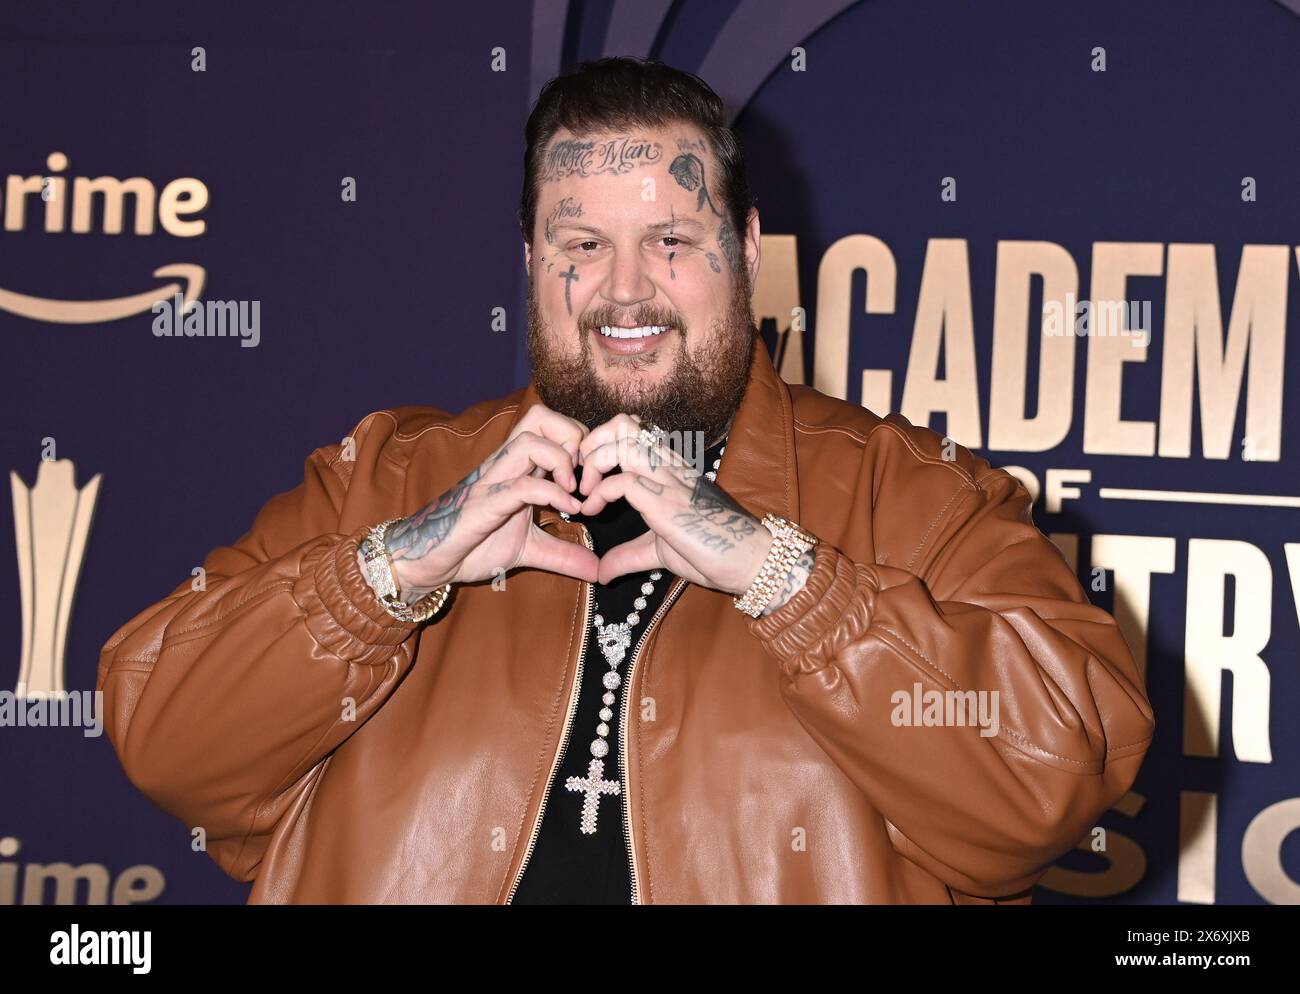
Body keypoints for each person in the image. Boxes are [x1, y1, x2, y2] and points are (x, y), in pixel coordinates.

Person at [97, 56, 1154, 904]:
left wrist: (788, 579)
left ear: (745, 249)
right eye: (582, 242)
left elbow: (1050, 777)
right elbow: (163, 733)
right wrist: (388, 572)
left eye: (670, 240)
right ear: (527, 258)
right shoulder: (388, 474)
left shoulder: (920, 500)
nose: (626, 288)